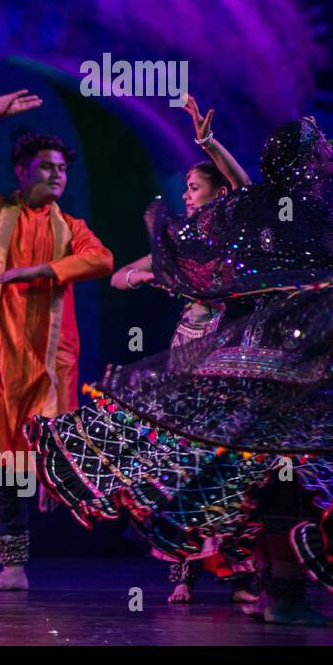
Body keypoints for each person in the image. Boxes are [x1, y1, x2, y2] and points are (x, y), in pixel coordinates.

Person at [32, 115, 333, 625]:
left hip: (242, 365)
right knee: (282, 475)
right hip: (287, 367)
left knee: (259, 474)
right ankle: (282, 598)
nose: (327, 160)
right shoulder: (307, 214)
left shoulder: (249, 207)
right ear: (304, 164)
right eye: (321, 152)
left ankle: (271, 594)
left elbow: (210, 238)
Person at [0, 89, 114, 591]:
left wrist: (42, 269)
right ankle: (13, 567)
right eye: (45, 166)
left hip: (51, 366)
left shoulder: (73, 229)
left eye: (62, 168)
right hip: (0, 365)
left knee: (55, 461)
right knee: (4, 461)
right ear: (21, 171)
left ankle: (178, 552)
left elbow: (103, 260)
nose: (56, 174)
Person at [110, 94, 257, 604]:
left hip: (225, 350)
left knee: (225, 458)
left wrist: (206, 141)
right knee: (185, 457)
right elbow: (117, 276)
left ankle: (236, 569)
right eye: (186, 189)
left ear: (216, 191)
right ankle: (184, 568)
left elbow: (243, 185)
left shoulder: (231, 228)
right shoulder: (180, 238)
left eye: (195, 187)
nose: (188, 196)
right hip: (185, 351)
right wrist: (146, 277)